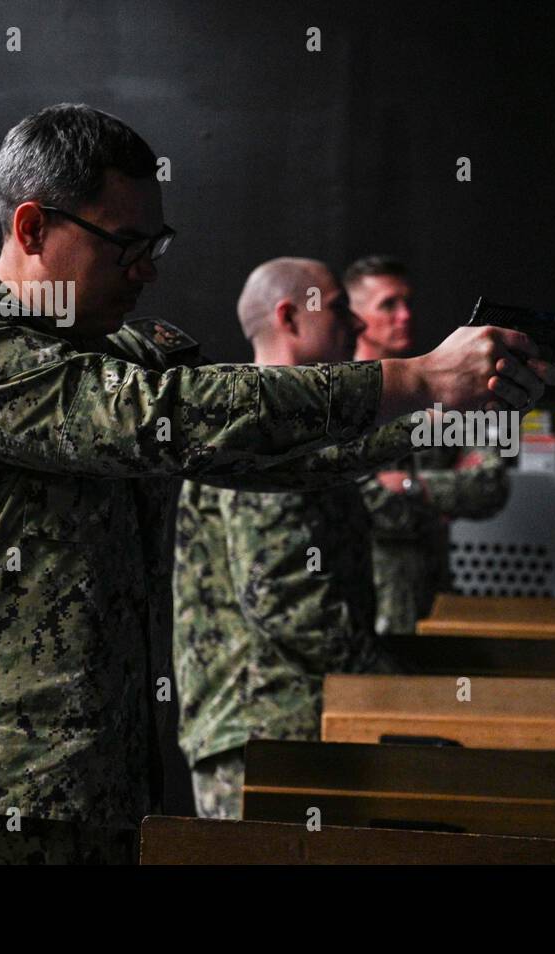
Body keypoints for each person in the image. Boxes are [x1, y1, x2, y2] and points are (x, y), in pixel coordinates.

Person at [0, 104, 555, 864]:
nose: (147, 269)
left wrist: (451, 409)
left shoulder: (119, 354)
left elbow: (269, 451)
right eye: (126, 244)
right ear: (32, 229)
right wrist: (414, 376)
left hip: (105, 803)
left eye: (154, 244)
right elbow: (168, 417)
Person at [174, 257, 400, 819]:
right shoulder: (255, 423)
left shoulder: (285, 423)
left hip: (293, 724)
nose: (359, 326)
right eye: (341, 309)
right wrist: (387, 681)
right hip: (267, 733)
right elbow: (284, 596)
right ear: (289, 318)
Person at [346, 256, 510, 636]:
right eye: (388, 304)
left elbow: (490, 485)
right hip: (358, 605)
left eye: (407, 302)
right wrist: (438, 501)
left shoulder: (445, 397)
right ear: (355, 317)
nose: (404, 315)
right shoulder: (335, 403)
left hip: (433, 605)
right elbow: (356, 503)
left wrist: (409, 487)